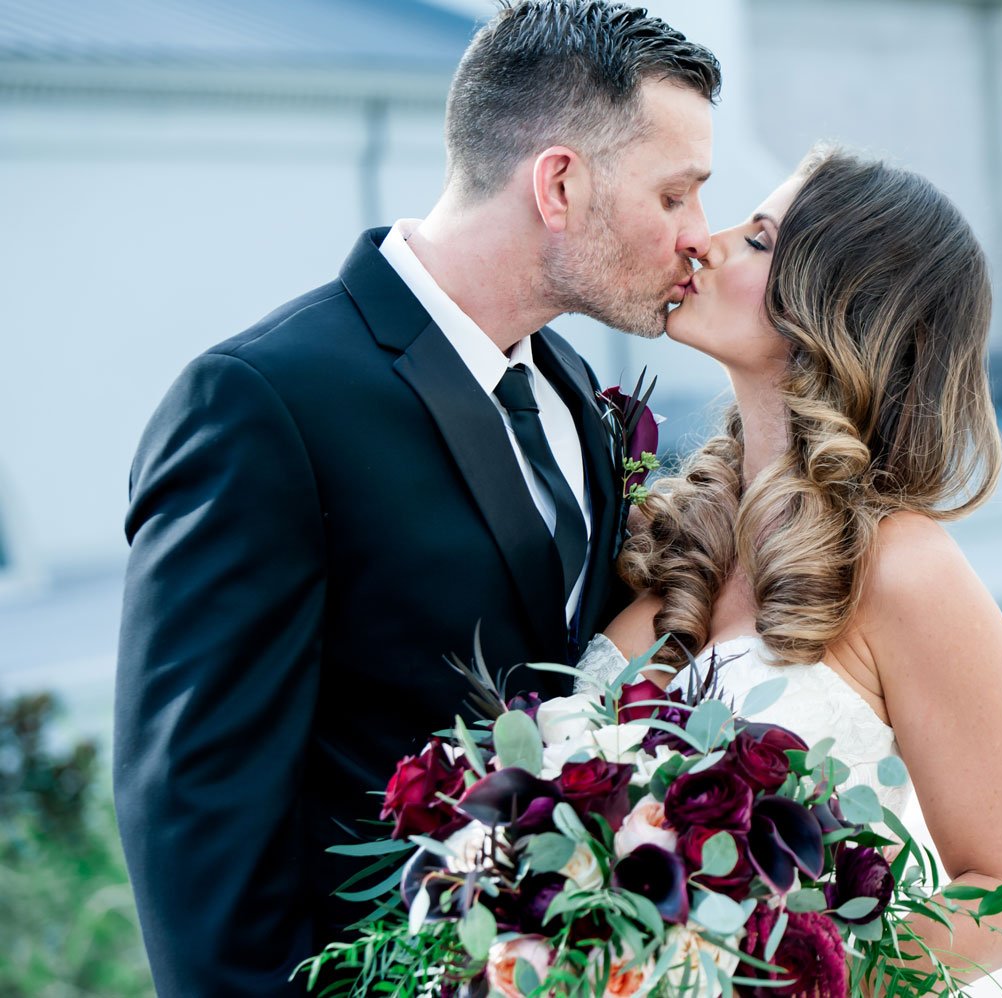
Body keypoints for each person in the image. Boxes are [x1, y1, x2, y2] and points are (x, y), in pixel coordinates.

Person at [112, 3, 720, 994]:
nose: (699, 237)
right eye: (676, 195)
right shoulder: (261, 403)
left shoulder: (569, 386)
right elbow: (195, 816)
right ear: (560, 183)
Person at [576, 148, 1002, 979]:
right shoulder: (684, 534)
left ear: (839, 307)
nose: (705, 243)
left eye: (759, 240)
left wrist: (787, 981)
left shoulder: (905, 570)